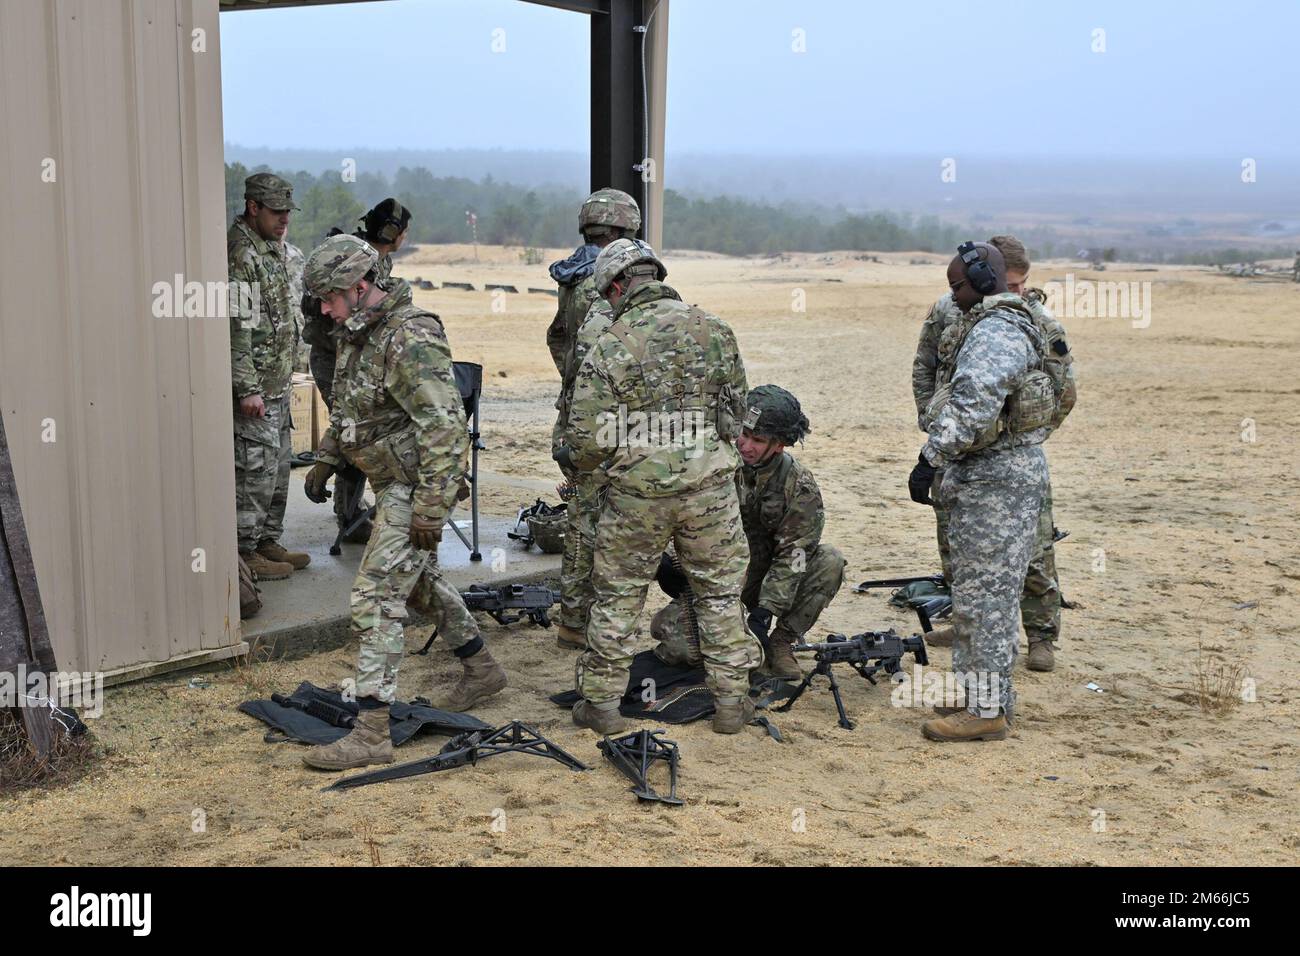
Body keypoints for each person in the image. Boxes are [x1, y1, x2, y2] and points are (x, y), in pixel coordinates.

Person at [298, 235, 506, 771]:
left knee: (374, 596)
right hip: (391, 480)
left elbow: (444, 427)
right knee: (415, 587)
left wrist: (430, 509)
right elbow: (350, 409)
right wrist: (326, 458)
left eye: (328, 297)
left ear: (359, 286)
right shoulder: (356, 334)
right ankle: (482, 669)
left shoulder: (410, 336)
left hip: (416, 486)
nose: (323, 308)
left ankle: (371, 731)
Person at [561, 238, 761, 735]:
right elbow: (735, 414)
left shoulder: (610, 344)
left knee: (620, 598)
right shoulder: (715, 329)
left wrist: (620, 458)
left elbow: (583, 441)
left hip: (636, 496)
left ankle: (603, 708)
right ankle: (732, 705)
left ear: (617, 286)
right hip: (710, 491)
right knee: (718, 594)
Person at [908, 241, 1053, 743]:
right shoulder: (989, 323)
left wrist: (930, 458)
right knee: (972, 596)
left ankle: (987, 711)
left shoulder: (997, 332)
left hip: (997, 480)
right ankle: (979, 692)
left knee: (988, 599)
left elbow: (972, 408)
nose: (954, 295)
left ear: (983, 281)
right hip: (982, 475)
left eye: (958, 285)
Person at [546, 188, 641, 650]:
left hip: (575, 417)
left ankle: (572, 620)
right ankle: (585, 622)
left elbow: (559, 341)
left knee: (583, 516)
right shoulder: (610, 282)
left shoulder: (571, 275)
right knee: (598, 521)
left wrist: (573, 391)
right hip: (604, 423)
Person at [301, 199, 412, 543]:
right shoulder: (350, 261)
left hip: (359, 355)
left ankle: (362, 513)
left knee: (362, 430)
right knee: (354, 432)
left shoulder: (377, 266)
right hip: (335, 357)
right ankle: (350, 515)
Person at [228, 172, 309, 581]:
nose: (284, 220)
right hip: (256, 387)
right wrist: (246, 388)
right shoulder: (241, 254)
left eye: (288, 213)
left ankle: (266, 541)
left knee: (278, 467)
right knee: (254, 470)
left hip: (277, 383)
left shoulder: (272, 249)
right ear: (253, 207)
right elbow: (236, 328)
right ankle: (244, 553)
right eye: (276, 212)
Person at [736, 386, 846, 680]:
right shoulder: (716, 464)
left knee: (829, 561)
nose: (744, 445)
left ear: (780, 445)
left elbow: (795, 553)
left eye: (757, 440)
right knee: (675, 642)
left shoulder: (799, 486)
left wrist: (765, 612)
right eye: (743, 434)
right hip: (724, 577)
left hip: (772, 574)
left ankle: (782, 642)